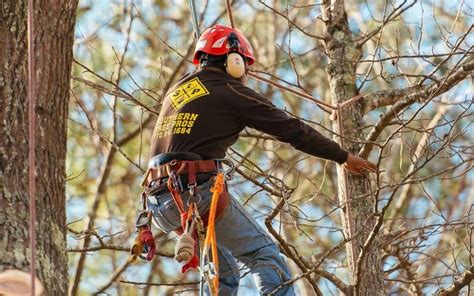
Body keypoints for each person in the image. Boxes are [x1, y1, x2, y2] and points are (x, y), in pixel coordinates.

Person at [144, 24, 376, 296]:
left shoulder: (179, 89)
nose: (247, 74)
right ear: (234, 60)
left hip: (158, 203)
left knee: (224, 269)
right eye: (245, 65)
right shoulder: (231, 91)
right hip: (195, 193)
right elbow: (293, 131)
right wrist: (342, 156)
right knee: (263, 254)